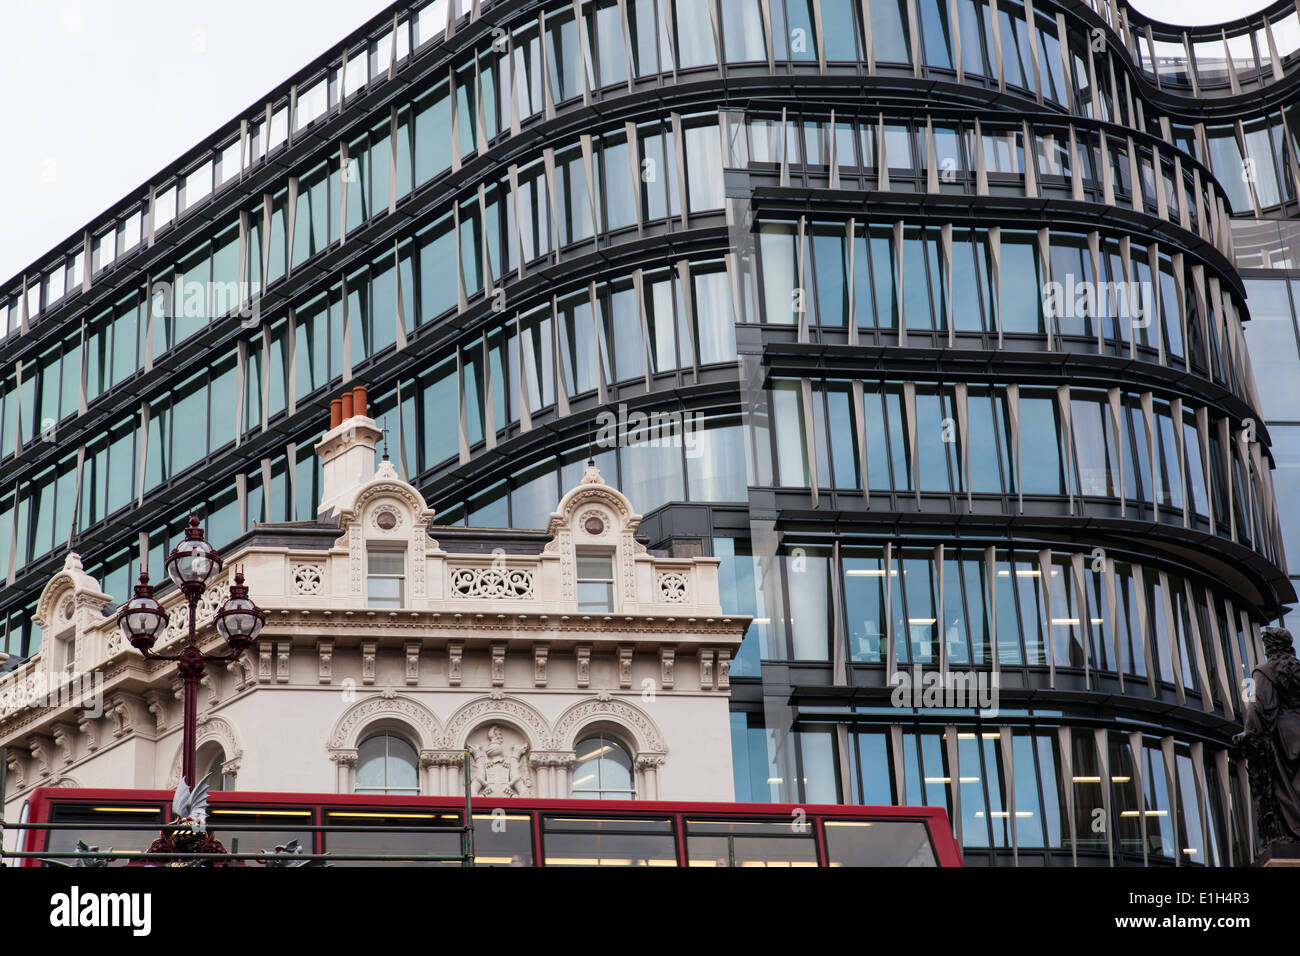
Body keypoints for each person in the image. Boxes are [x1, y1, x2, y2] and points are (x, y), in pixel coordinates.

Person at [1234, 626, 1300, 847]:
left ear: (1270, 647)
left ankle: (1292, 830)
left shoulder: (1263, 671)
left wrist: (1249, 733)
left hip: (1282, 734)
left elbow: (1258, 706)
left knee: (1284, 785)